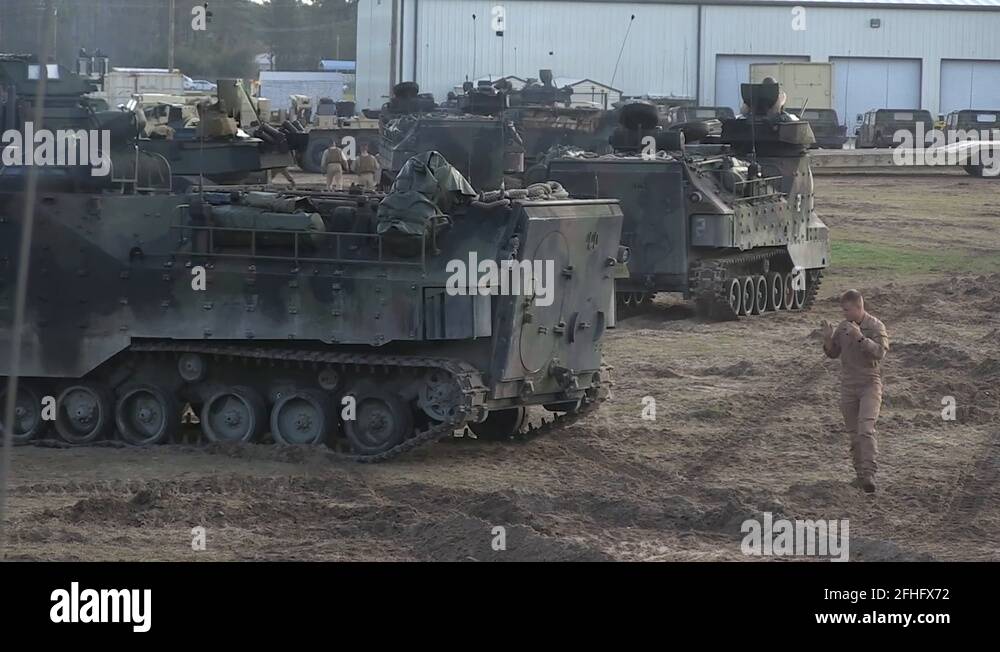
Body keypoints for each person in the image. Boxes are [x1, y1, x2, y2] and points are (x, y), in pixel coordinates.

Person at [821, 290, 890, 494]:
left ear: (859, 307)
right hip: (848, 385)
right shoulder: (843, 328)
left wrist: (860, 338)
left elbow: (880, 352)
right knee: (853, 434)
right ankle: (860, 475)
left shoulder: (875, 326)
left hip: (869, 383)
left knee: (866, 428)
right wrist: (827, 339)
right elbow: (833, 353)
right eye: (842, 310)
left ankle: (869, 474)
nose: (844, 314)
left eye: (847, 310)